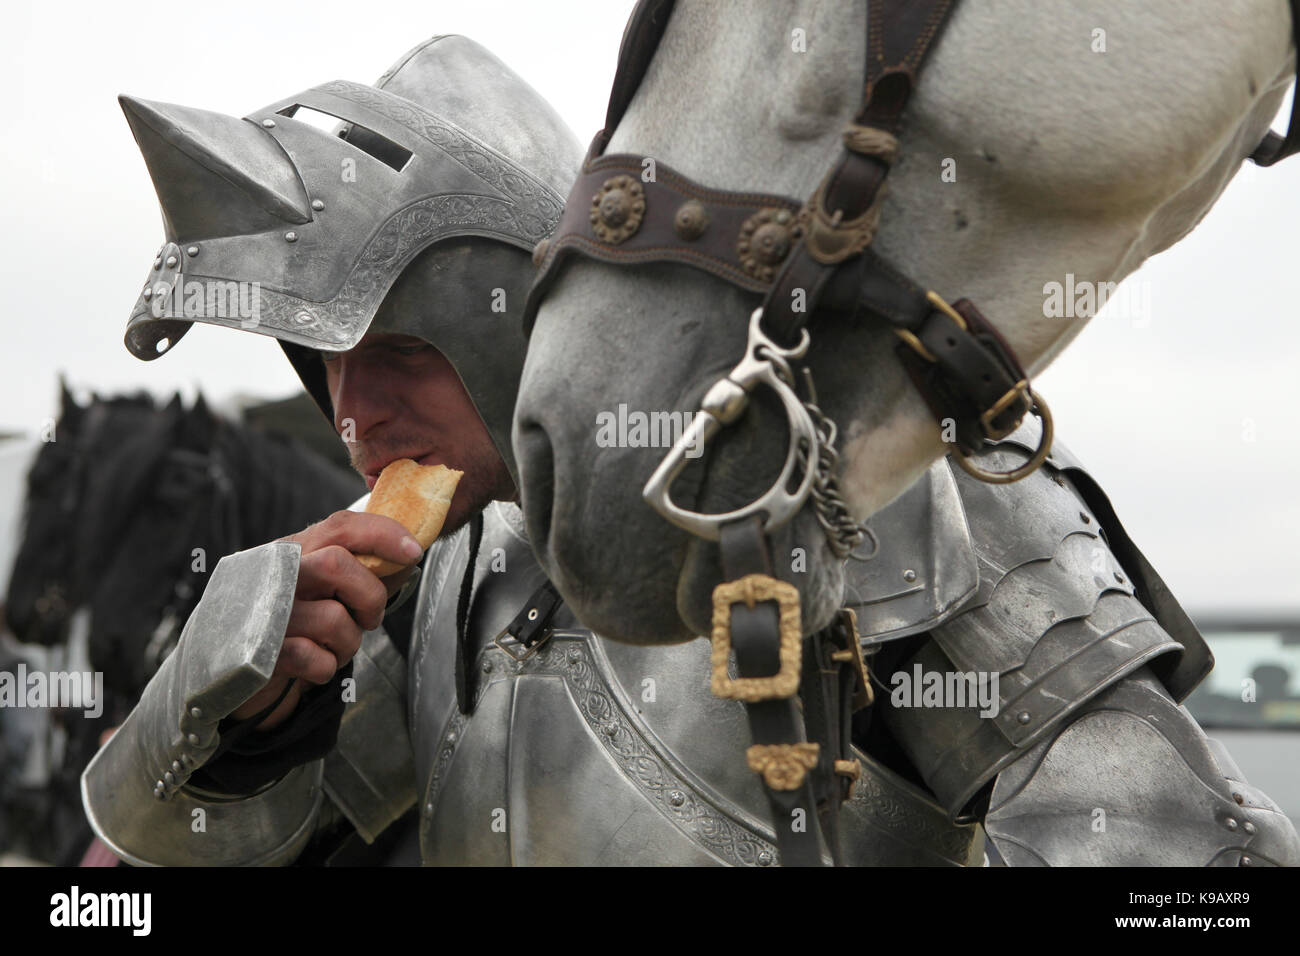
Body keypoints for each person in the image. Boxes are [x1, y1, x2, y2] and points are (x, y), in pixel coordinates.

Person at [83, 34, 1300, 867]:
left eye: (393, 352)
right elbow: (182, 867)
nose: (351, 416)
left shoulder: (844, 469)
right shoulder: (454, 574)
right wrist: (228, 719)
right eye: (320, 369)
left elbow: (1180, 849)